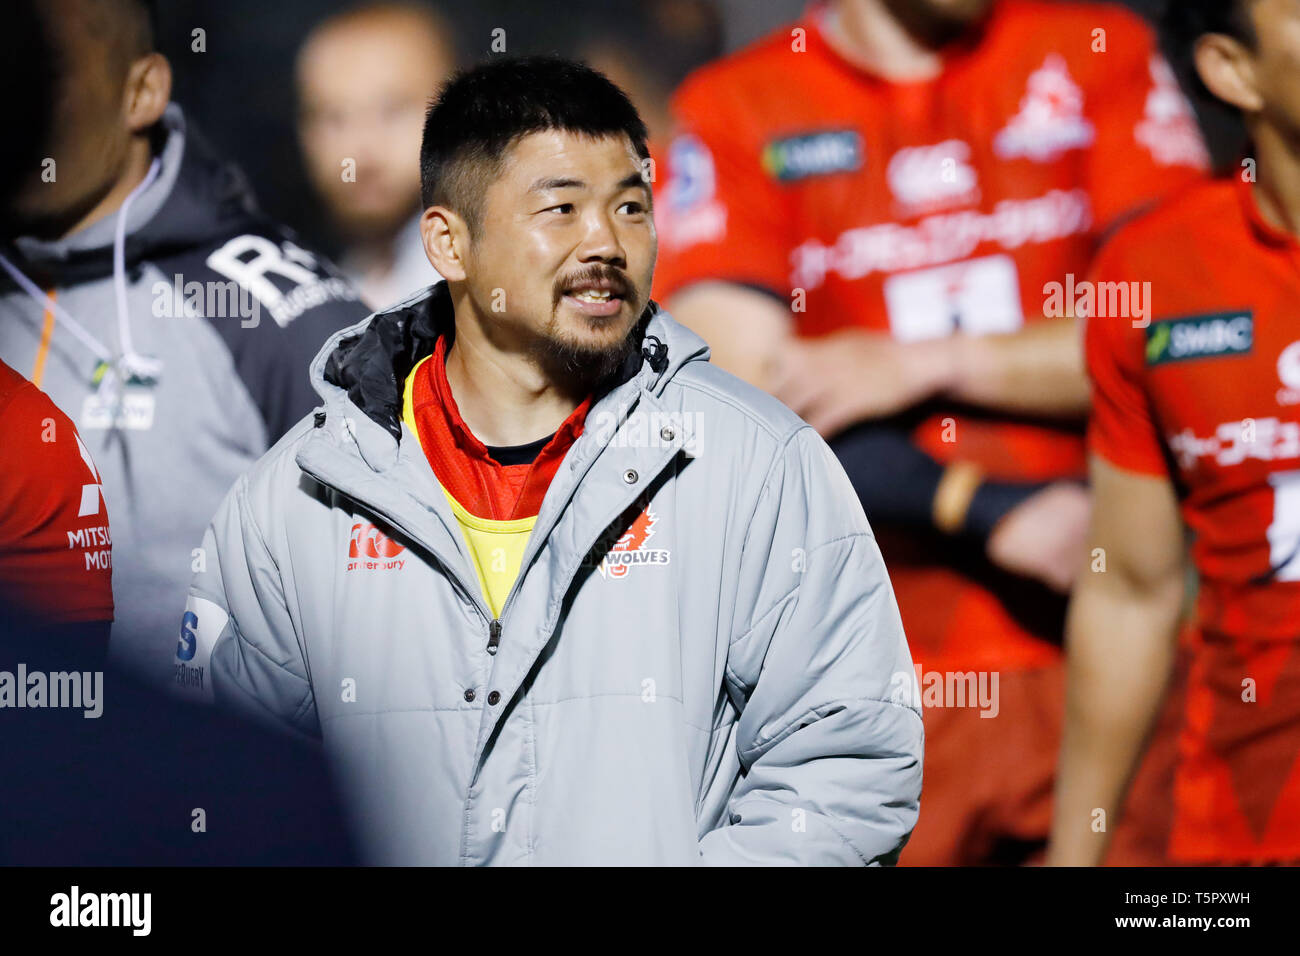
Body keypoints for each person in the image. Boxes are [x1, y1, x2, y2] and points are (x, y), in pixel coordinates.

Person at [180, 56, 923, 866]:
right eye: (560, 208)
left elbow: (846, 769)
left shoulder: (757, 464)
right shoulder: (299, 496)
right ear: (449, 242)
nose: (605, 242)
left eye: (631, 208)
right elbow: (233, 794)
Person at [653, 0, 1209, 864]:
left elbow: (1180, 328)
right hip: (870, 677)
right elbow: (739, 400)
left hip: (1112, 648)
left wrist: (929, 360)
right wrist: (983, 504)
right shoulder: (738, 104)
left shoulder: (1097, 51)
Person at [0, 0, 370, 688]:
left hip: (207, 783)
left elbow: (394, 614)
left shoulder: (280, 311)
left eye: (44, 71)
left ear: (141, 92)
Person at [1050, 0, 1300, 866]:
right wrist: (1076, 854)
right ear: (1234, 70)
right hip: (1237, 830)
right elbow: (1129, 589)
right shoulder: (1155, 277)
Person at [296, 1, 457, 310]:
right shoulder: (330, 295)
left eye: (392, 111)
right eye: (334, 118)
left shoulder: (495, 281)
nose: (361, 152)